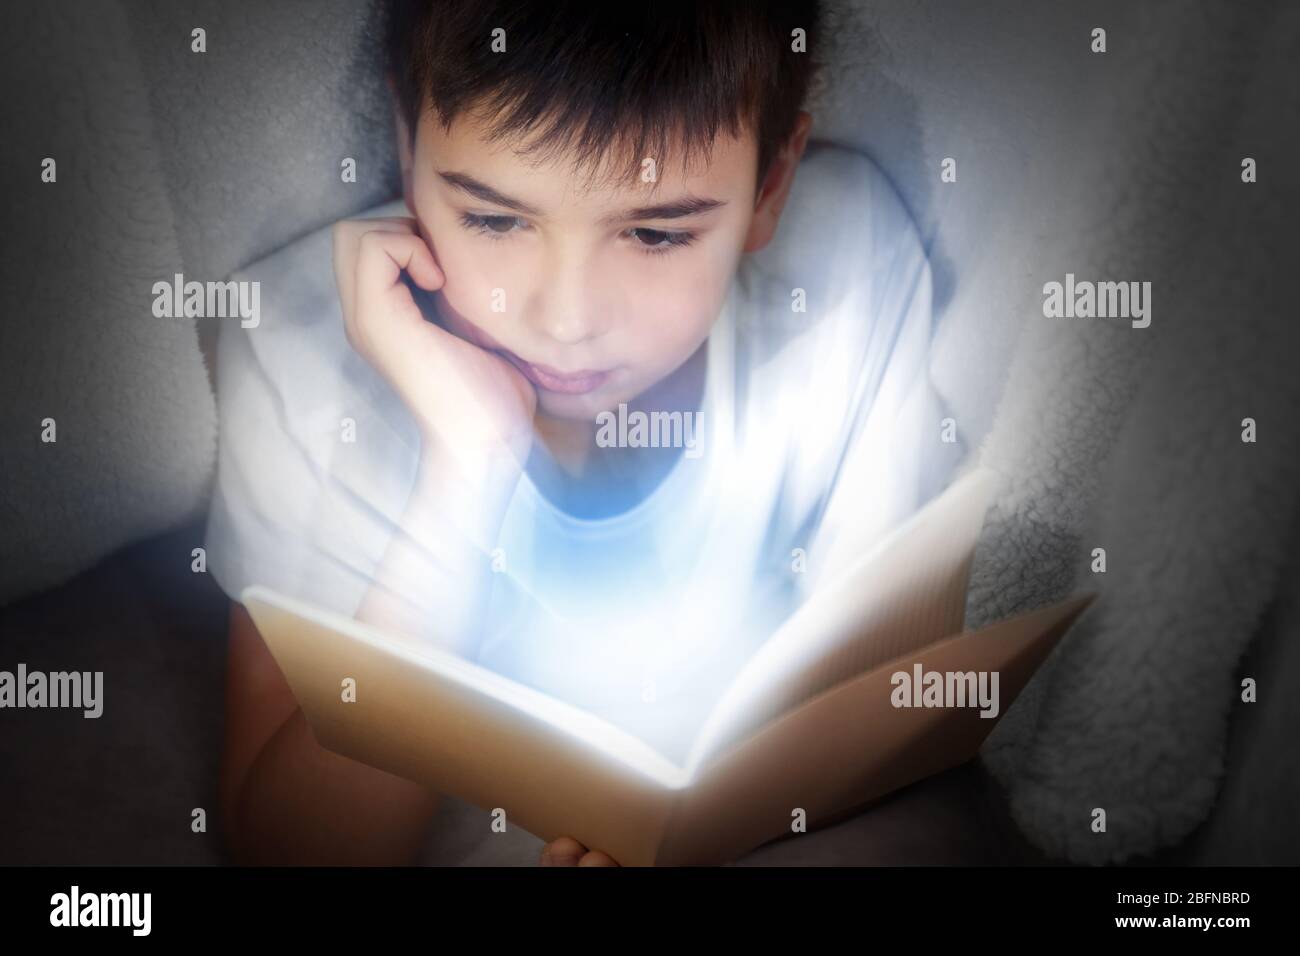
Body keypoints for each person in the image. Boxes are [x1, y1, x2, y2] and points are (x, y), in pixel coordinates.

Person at [209, 0, 959, 866]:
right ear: (407, 147)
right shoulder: (302, 355)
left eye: (654, 233)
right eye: (494, 220)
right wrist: (465, 466)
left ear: (771, 186)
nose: (564, 322)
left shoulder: (846, 273)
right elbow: (285, 850)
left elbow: (883, 698)